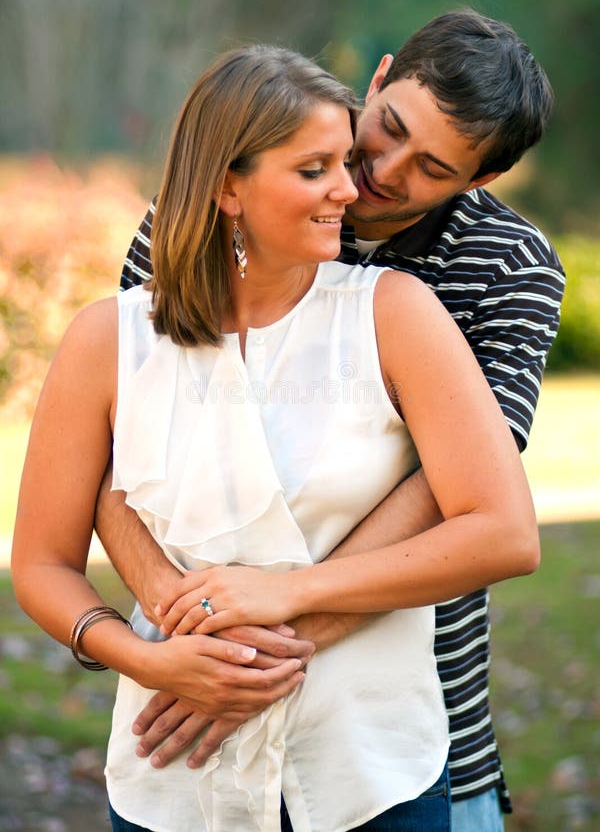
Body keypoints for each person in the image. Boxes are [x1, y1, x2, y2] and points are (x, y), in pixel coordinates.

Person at [10, 44, 538, 832]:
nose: (360, 181)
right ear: (226, 187)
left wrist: (275, 623)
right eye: (322, 164)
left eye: (430, 166)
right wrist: (158, 649)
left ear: (477, 180)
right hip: (174, 774)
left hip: (373, 762)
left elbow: (484, 512)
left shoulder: (416, 306)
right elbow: (83, 504)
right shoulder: (114, 334)